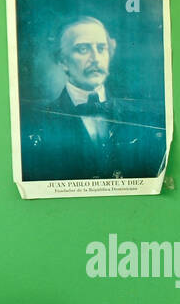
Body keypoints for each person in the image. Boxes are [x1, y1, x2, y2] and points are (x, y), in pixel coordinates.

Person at [19, 15, 167, 181]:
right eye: (83, 49)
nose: (96, 59)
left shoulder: (142, 118)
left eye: (101, 48)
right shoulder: (38, 122)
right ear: (62, 61)